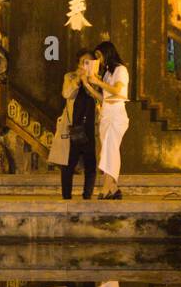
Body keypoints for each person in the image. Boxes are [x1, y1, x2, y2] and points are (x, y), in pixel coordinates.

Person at [48, 49, 98, 200]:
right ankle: (66, 196)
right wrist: (78, 80)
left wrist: (90, 80)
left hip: (90, 126)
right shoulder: (69, 76)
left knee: (90, 164)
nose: (86, 65)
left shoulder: (97, 79)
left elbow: (96, 96)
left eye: (89, 62)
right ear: (78, 63)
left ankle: (87, 195)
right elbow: (66, 94)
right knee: (68, 164)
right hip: (73, 126)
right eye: (84, 62)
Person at [85, 40, 130, 200]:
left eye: (99, 55)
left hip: (117, 114)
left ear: (107, 53)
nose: (99, 59)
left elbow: (118, 90)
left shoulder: (120, 70)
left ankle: (106, 188)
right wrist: (90, 87)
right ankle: (114, 188)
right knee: (107, 150)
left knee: (110, 149)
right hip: (106, 113)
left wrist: (98, 82)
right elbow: (103, 97)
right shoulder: (107, 73)